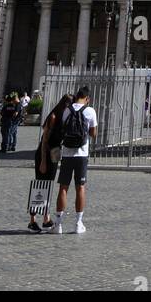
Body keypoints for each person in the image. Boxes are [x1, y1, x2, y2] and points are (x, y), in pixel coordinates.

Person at [54, 86, 98, 235]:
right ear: (87, 99)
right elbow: (93, 133)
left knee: (63, 188)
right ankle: (78, 223)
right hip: (82, 154)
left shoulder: (67, 110)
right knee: (80, 187)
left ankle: (58, 224)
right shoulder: (90, 111)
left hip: (67, 153)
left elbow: (62, 129)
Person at [29, 95, 71, 234]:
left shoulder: (64, 119)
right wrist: (43, 161)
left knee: (48, 186)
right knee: (40, 186)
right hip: (44, 154)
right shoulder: (53, 117)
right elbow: (44, 141)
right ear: (64, 105)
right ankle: (32, 220)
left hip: (54, 154)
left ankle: (46, 219)